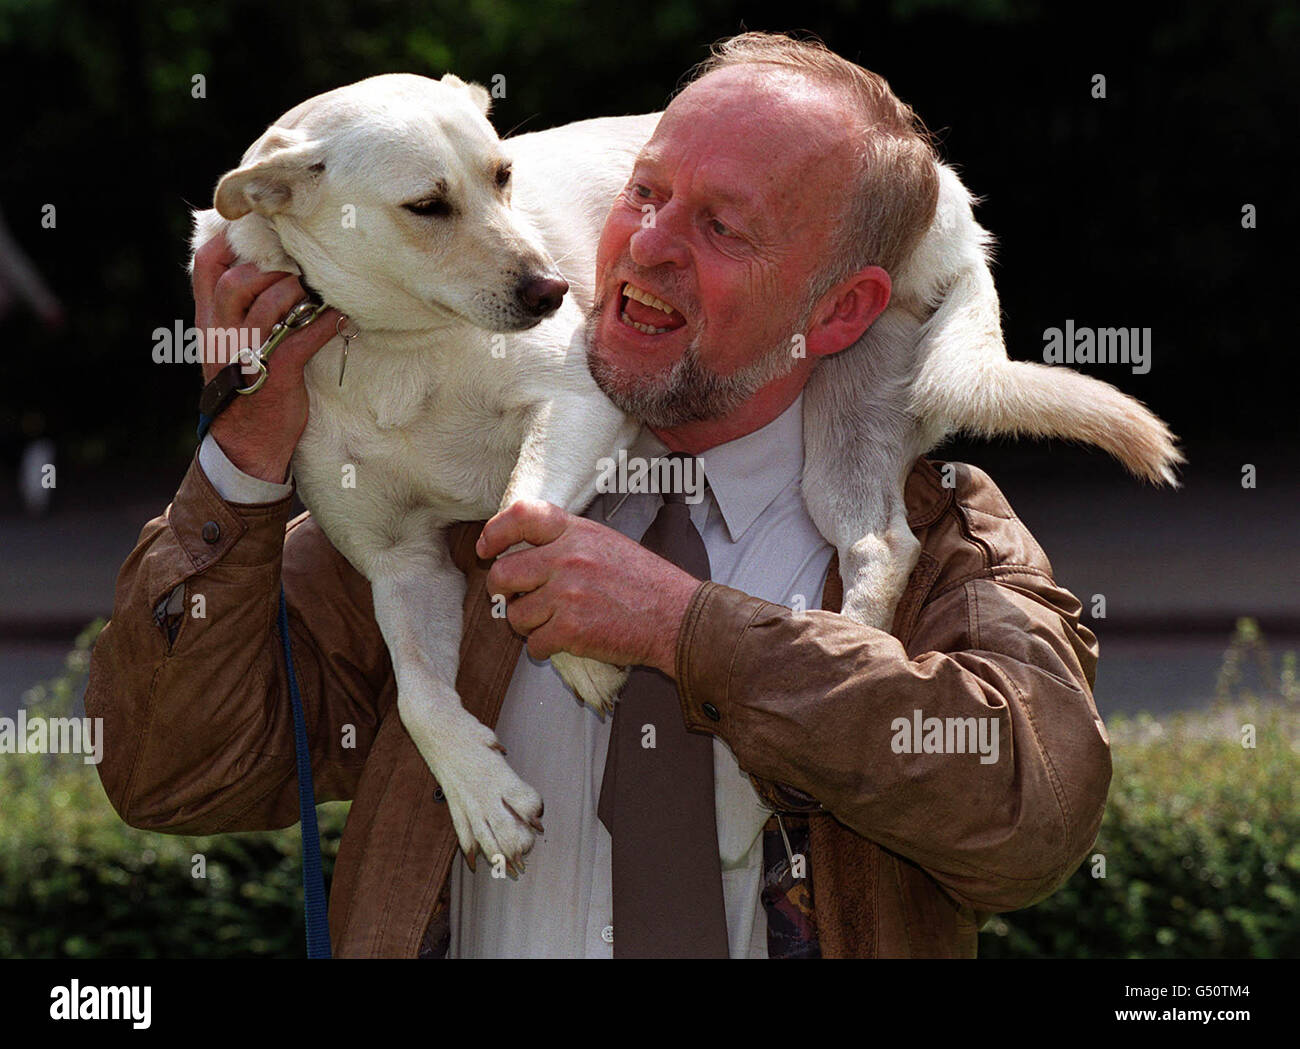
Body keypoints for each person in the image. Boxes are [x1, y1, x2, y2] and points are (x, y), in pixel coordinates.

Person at [86, 32, 1111, 958]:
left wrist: (690, 631)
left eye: (722, 227)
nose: (648, 244)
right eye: (644, 192)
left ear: (840, 310)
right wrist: (243, 455)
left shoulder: (940, 542)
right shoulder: (441, 499)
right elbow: (171, 773)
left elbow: (1031, 823)